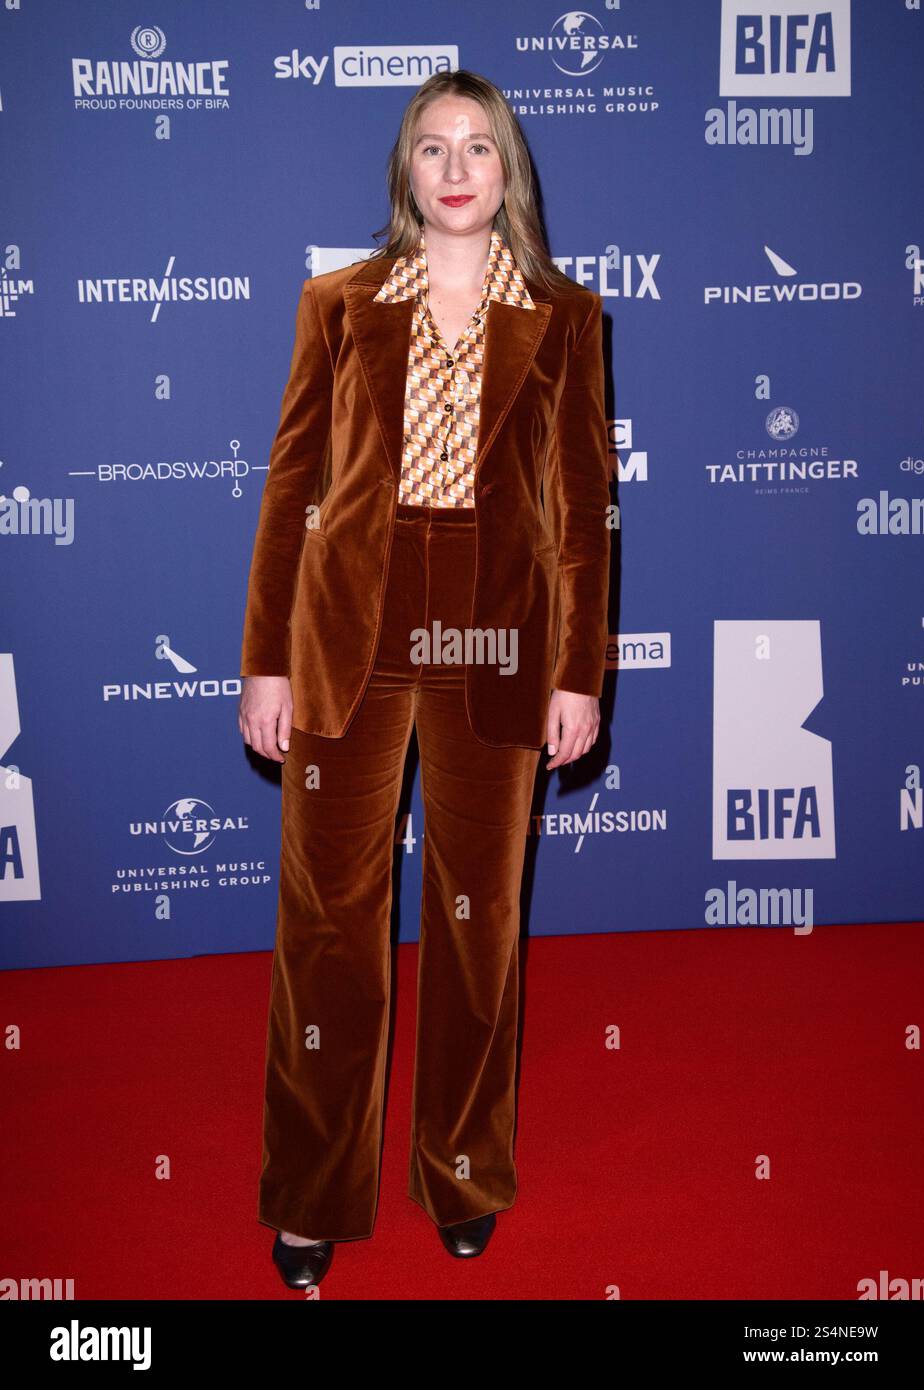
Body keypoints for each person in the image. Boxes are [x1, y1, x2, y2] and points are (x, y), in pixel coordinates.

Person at [238, 68, 611, 1291]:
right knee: (328, 924)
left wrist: (576, 671)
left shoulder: (564, 317)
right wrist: (265, 659)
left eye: (479, 148)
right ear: (406, 171)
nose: (456, 169)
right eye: (432, 148)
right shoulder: (338, 304)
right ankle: (313, 1189)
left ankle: (460, 1163)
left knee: (475, 923)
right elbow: (290, 492)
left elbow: (580, 520)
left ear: (510, 173)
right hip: (351, 628)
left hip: (495, 641)